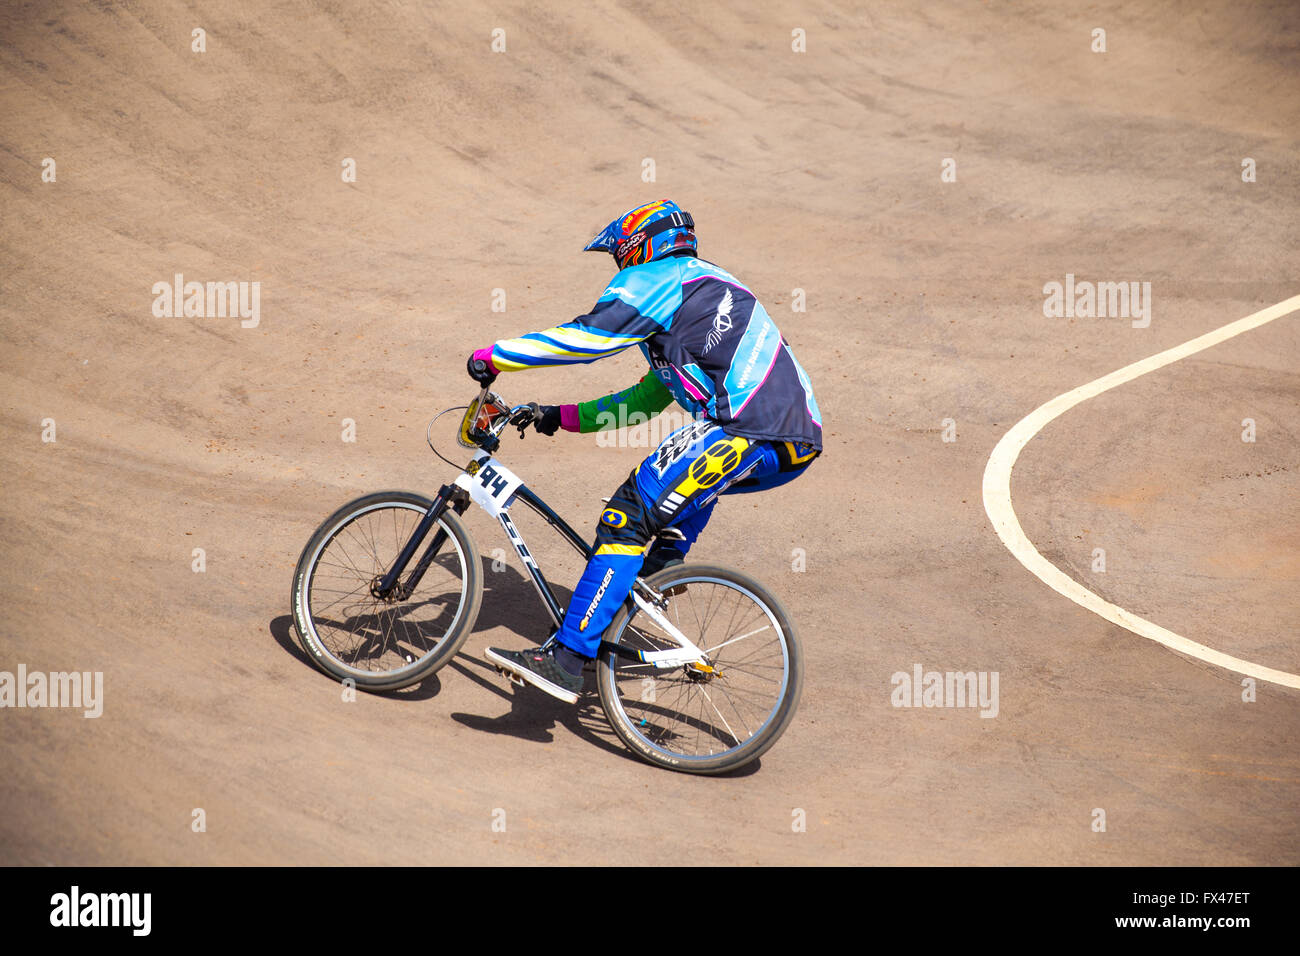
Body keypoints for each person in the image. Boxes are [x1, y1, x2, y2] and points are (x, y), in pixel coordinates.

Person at [466, 199, 822, 703]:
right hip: (792, 444)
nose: (618, 272)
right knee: (674, 504)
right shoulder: (700, 294)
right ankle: (643, 594)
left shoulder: (659, 277)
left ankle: (566, 661)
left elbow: (585, 339)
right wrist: (557, 416)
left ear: (638, 246)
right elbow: (641, 402)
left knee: (626, 516)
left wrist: (495, 356)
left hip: (745, 430)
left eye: (620, 257)